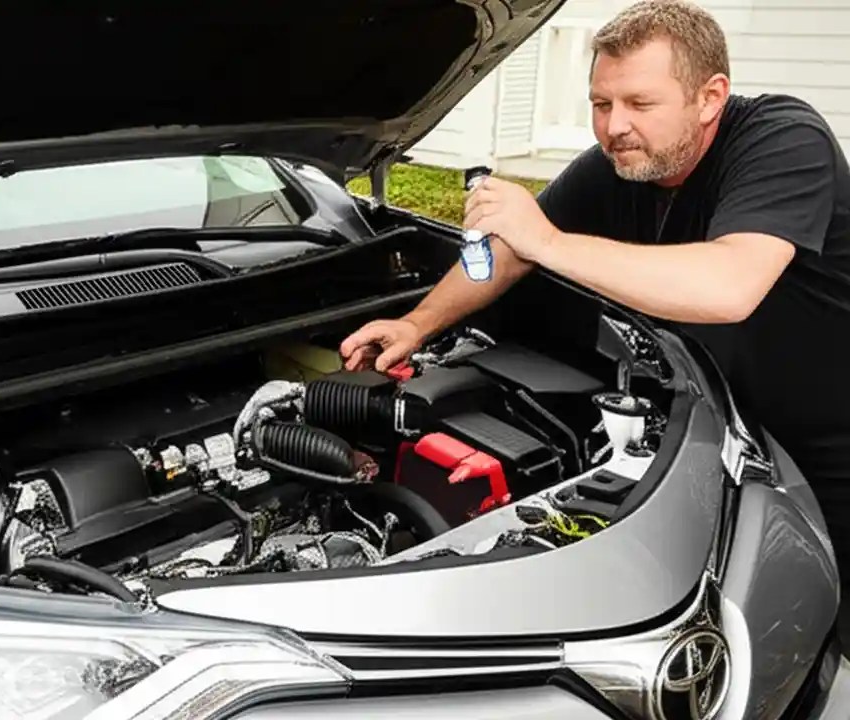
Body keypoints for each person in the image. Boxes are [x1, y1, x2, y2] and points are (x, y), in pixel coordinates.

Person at [341, 0, 850, 639]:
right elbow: (506, 254)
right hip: (713, 421)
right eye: (601, 104)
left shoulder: (782, 138)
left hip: (827, 435)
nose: (614, 127)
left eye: (639, 103)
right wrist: (419, 325)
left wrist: (547, 240)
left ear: (710, 96)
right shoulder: (620, 166)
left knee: (826, 619)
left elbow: (730, 287)